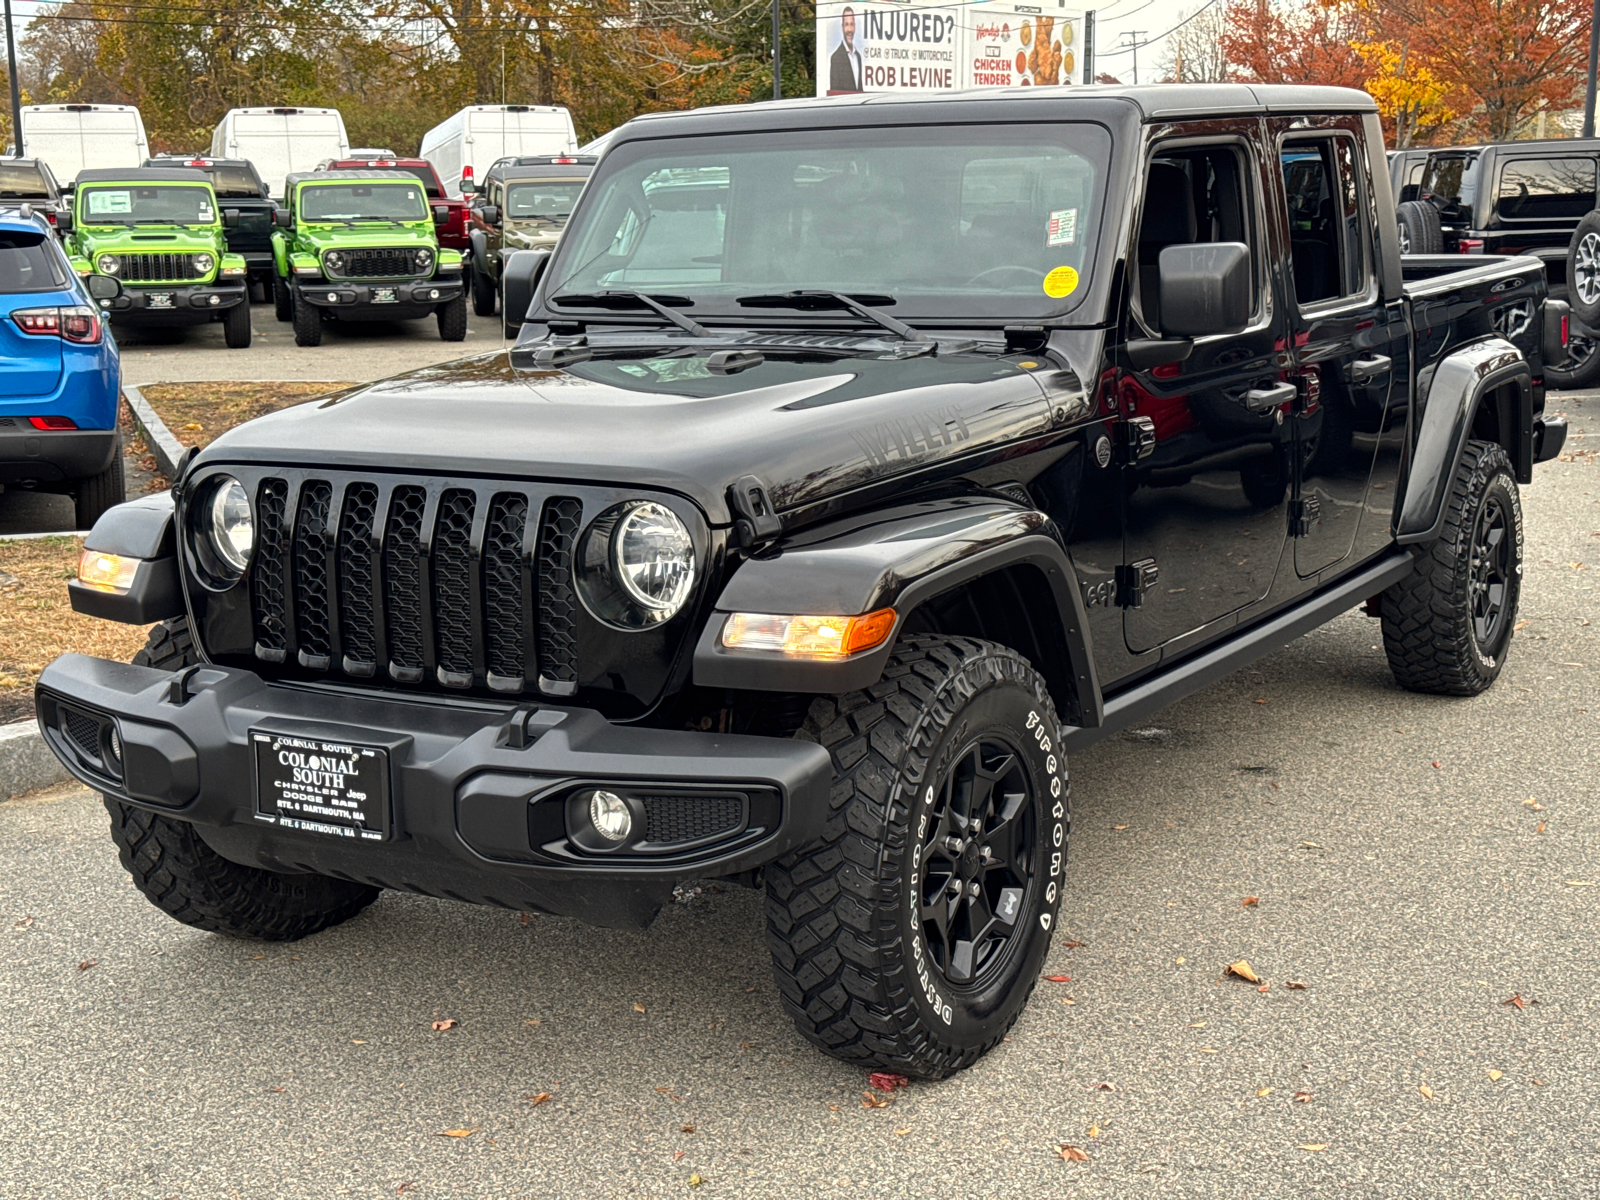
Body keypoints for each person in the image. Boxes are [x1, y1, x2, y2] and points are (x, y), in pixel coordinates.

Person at [830, 7, 864, 93]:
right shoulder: (836, 58)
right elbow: (835, 92)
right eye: (846, 24)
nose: (849, 30)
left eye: (851, 24)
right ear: (842, 27)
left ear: (855, 26)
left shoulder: (858, 57)